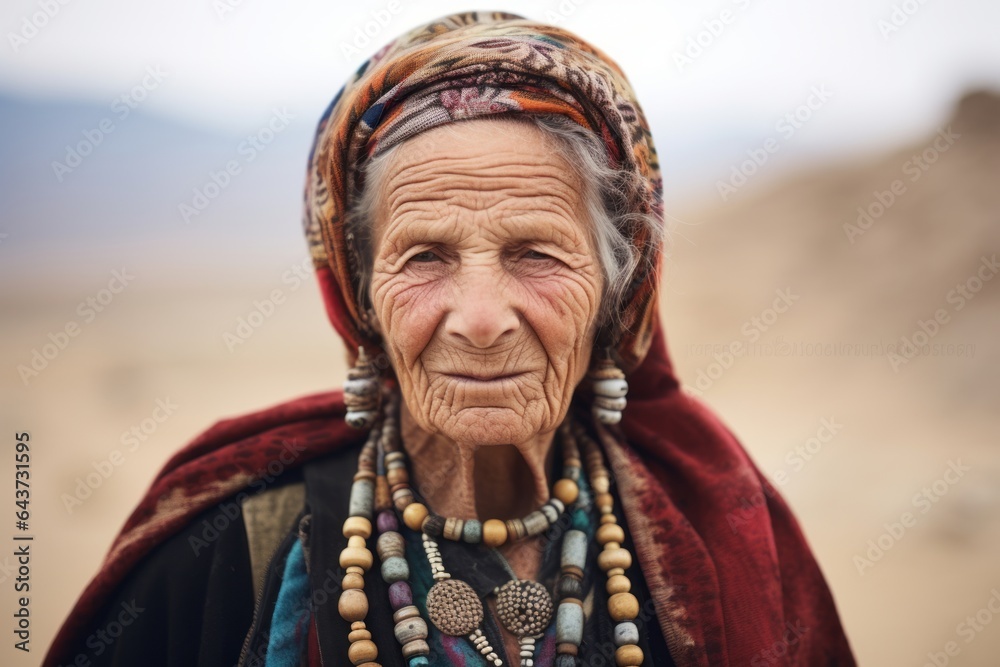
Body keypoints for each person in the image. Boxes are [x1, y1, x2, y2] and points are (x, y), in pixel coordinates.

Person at [44, 11, 856, 667]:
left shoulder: (721, 533)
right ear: (359, 288)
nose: (479, 317)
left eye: (535, 253)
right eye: (424, 256)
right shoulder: (219, 547)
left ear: (618, 289)